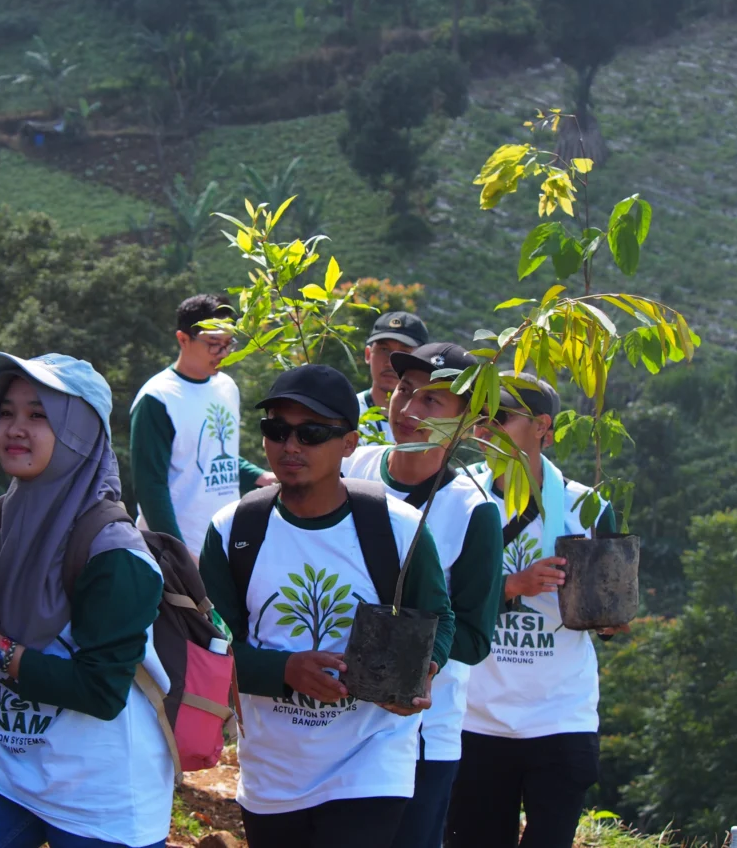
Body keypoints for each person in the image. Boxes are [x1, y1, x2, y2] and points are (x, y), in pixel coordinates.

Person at [0, 352, 173, 848]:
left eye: (39, 414)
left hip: (99, 789)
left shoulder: (116, 554)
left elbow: (102, 693)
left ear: (80, 430)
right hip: (9, 759)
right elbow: (4, 626)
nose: (15, 428)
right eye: (7, 411)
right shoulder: (13, 513)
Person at [200, 364, 457, 848]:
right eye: (277, 429)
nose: (290, 446)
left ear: (350, 443)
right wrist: (285, 670)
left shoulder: (398, 527)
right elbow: (211, 649)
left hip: (371, 759)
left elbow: (439, 617)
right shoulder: (232, 530)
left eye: (312, 432)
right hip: (274, 771)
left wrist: (424, 669)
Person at [340, 343, 504, 848]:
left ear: (466, 422)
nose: (409, 410)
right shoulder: (353, 470)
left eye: (434, 401)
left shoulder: (472, 511)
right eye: (405, 391)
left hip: (419, 734)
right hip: (333, 719)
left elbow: (475, 638)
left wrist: (402, 646)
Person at [447, 374, 620, 848]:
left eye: (499, 418)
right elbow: (432, 598)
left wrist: (610, 617)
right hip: (474, 715)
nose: (484, 429)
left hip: (560, 717)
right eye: (479, 418)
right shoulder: (457, 499)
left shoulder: (586, 507)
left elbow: (612, 616)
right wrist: (511, 586)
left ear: (542, 426)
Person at [130, 294, 275, 556]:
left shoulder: (226, 387)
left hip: (224, 539)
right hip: (178, 550)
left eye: (228, 343)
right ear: (183, 339)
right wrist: (179, 553)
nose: (223, 353)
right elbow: (151, 487)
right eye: (213, 344)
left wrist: (258, 476)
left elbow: (211, 453)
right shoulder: (158, 398)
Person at [357, 311, 430, 443]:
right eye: (384, 350)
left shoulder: (428, 427)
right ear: (368, 354)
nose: (390, 362)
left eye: (404, 353)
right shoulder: (347, 414)